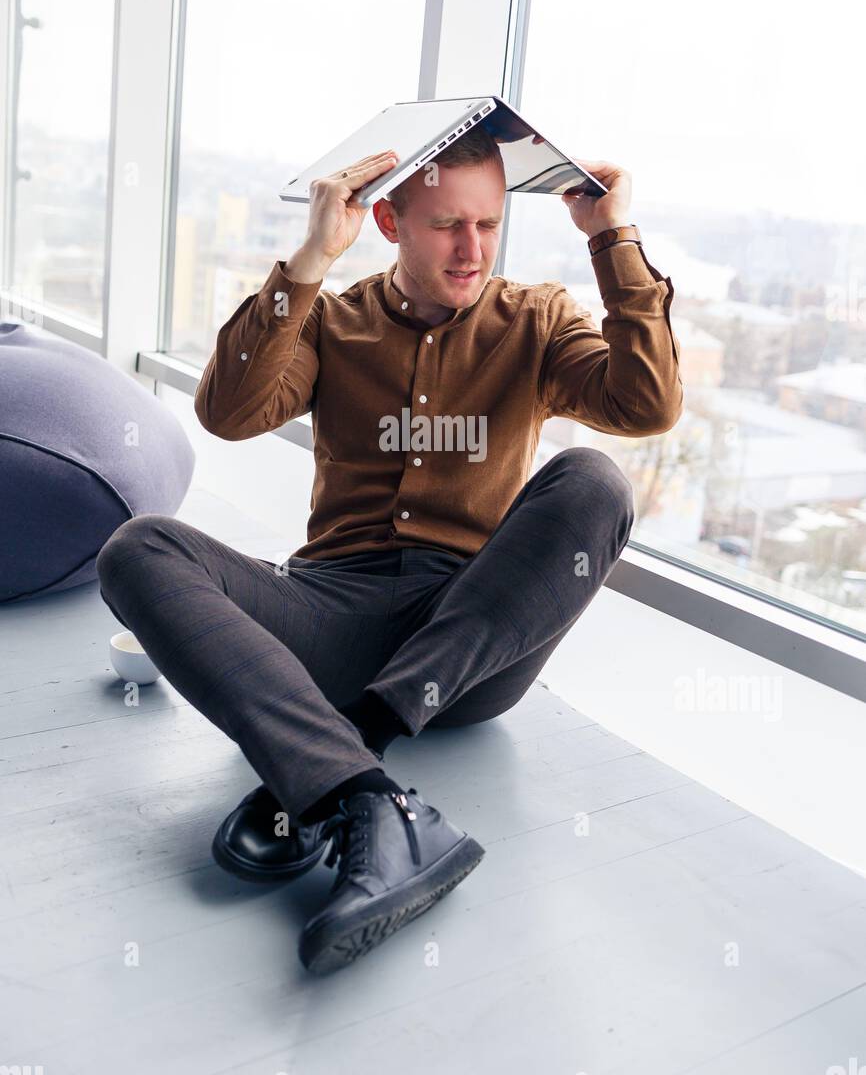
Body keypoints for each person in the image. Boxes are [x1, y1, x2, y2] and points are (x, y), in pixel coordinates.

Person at [95, 126, 683, 976]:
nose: (472, 247)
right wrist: (307, 262)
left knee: (593, 478)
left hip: (472, 642)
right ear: (389, 223)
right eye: (448, 224)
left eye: (487, 224)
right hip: (326, 613)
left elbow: (647, 403)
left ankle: (350, 746)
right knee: (139, 547)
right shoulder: (335, 321)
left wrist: (611, 239)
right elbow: (228, 412)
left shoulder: (539, 319)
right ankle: (369, 800)